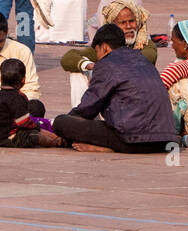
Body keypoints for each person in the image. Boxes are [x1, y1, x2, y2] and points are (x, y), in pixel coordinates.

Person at [53, 24, 179, 153]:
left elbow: (88, 108)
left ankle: (107, 147)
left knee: (61, 122)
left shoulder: (106, 64)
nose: (98, 56)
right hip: (165, 141)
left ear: (105, 48)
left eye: (97, 51)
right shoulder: (142, 59)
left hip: (133, 140)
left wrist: (66, 125)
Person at [63, 0, 157, 107]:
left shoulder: (146, 45)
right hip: (111, 101)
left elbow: (145, 59)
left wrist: (103, 68)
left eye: (131, 21)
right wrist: (91, 66)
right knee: (77, 72)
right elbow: (68, 58)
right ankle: (83, 113)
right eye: (123, 23)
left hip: (136, 101)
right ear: (112, 27)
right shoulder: (107, 46)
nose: (128, 27)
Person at [0, 58, 63, 148]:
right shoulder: (18, 98)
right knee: (35, 136)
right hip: (7, 138)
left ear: (0, 79)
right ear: (23, 80)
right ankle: (56, 142)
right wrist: (39, 128)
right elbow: (25, 123)